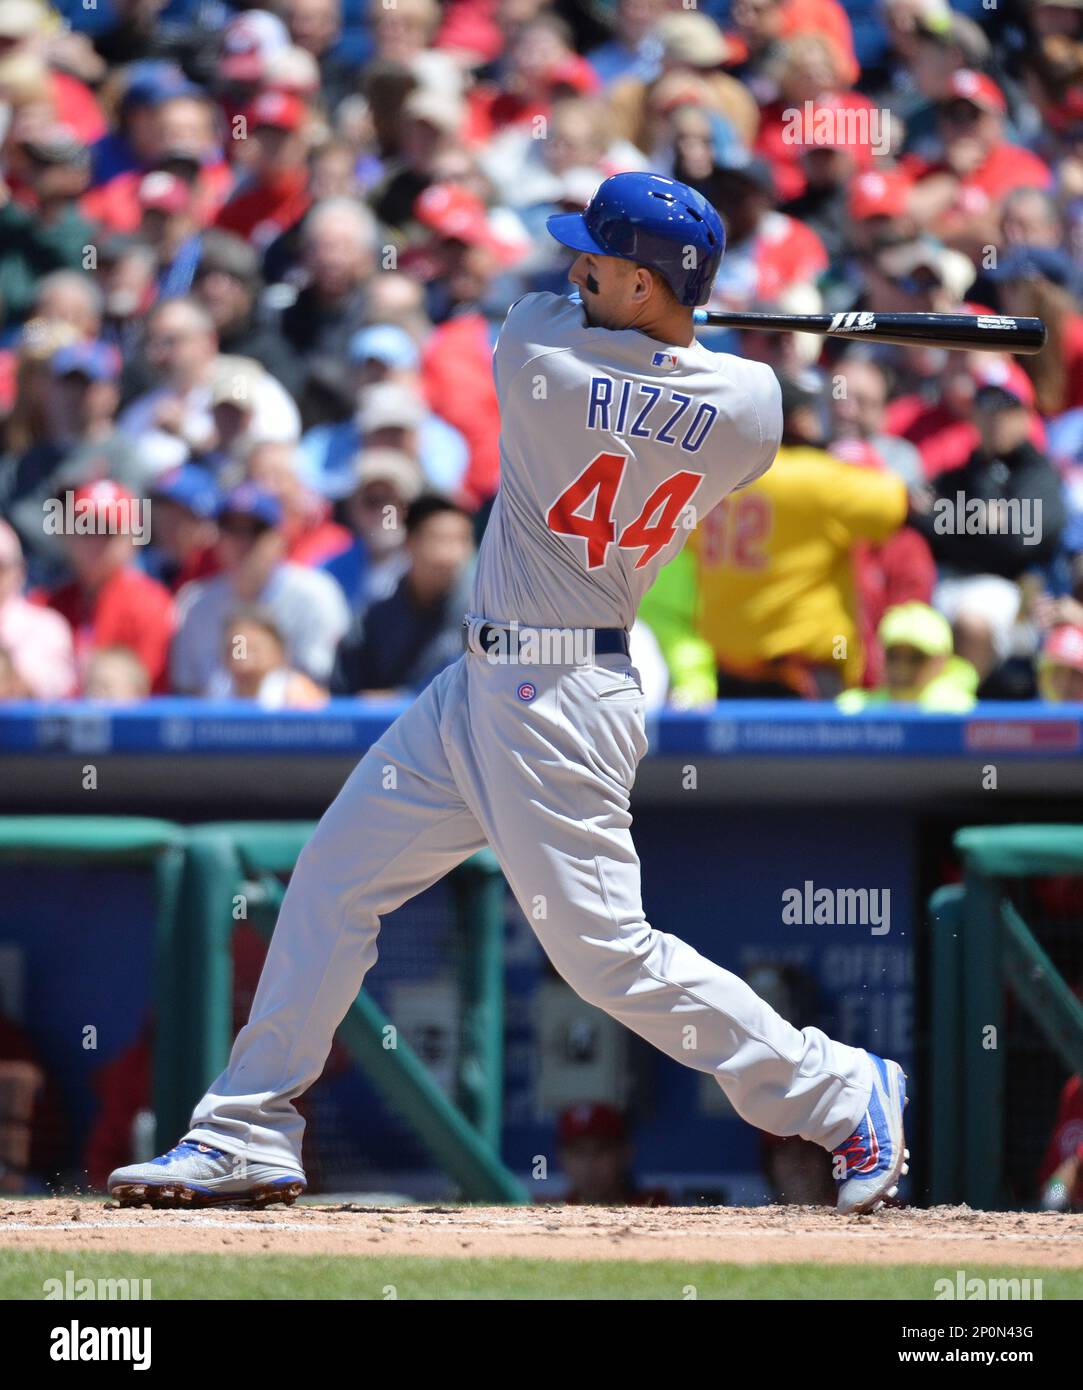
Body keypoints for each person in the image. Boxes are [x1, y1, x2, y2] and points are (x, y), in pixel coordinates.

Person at [108, 172, 908, 1218]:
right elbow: (702, 372)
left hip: (559, 697)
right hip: (493, 681)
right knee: (335, 876)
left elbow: (564, 316)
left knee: (607, 955)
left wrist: (644, 323)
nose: (571, 267)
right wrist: (671, 322)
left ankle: (841, 1089)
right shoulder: (750, 412)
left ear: (636, 278)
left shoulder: (538, 352)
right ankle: (248, 1126)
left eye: (596, 257)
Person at [170, 483, 350, 693]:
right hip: (214, 724)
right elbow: (186, 693)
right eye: (231, 529)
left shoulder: (315, 595)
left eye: (256, 530)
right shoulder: (195, 603)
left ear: (280, 538)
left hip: (293, 722)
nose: (242, 543)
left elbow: (325, 687)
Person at [330, 493, 476, 695]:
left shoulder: (485, 616)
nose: (450, 555)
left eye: (461, 541)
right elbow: (344, 696)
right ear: (409, 543)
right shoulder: (372, 621)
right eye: (439, 540)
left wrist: (400, 700)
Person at [836, 602, 979, 713]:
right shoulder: (852, 707)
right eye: (893, 656)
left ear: (941, 661)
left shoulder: (961, 712)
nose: (901, 668)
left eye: (916, 658)